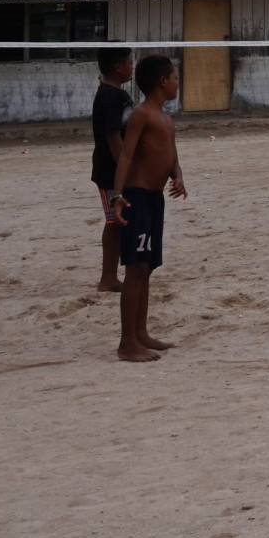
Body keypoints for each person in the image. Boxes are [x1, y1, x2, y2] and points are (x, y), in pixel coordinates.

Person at [110, 55, 186, 362]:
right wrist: (117, 197)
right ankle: (127, 342)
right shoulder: (141, 115)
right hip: (137, 197)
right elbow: (126, 156)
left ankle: (141, 333)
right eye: (176, 78)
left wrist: (178, 175)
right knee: (136, 268)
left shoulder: (165, 118)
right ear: (162, 82)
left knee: (148, 268)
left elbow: (171, 154)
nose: (178, 83)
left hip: (155, 199)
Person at [90, 47, 134, 293]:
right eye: (130, 62)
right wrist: (127, 169)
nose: (132, 66)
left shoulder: (118, 94)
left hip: (117, 169)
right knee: (113, 221)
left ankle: (112, 275)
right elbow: (114, 139)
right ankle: (108, 277)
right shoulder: (108, 97)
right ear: (118, 67)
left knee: (118, 221)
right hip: (111, 171)